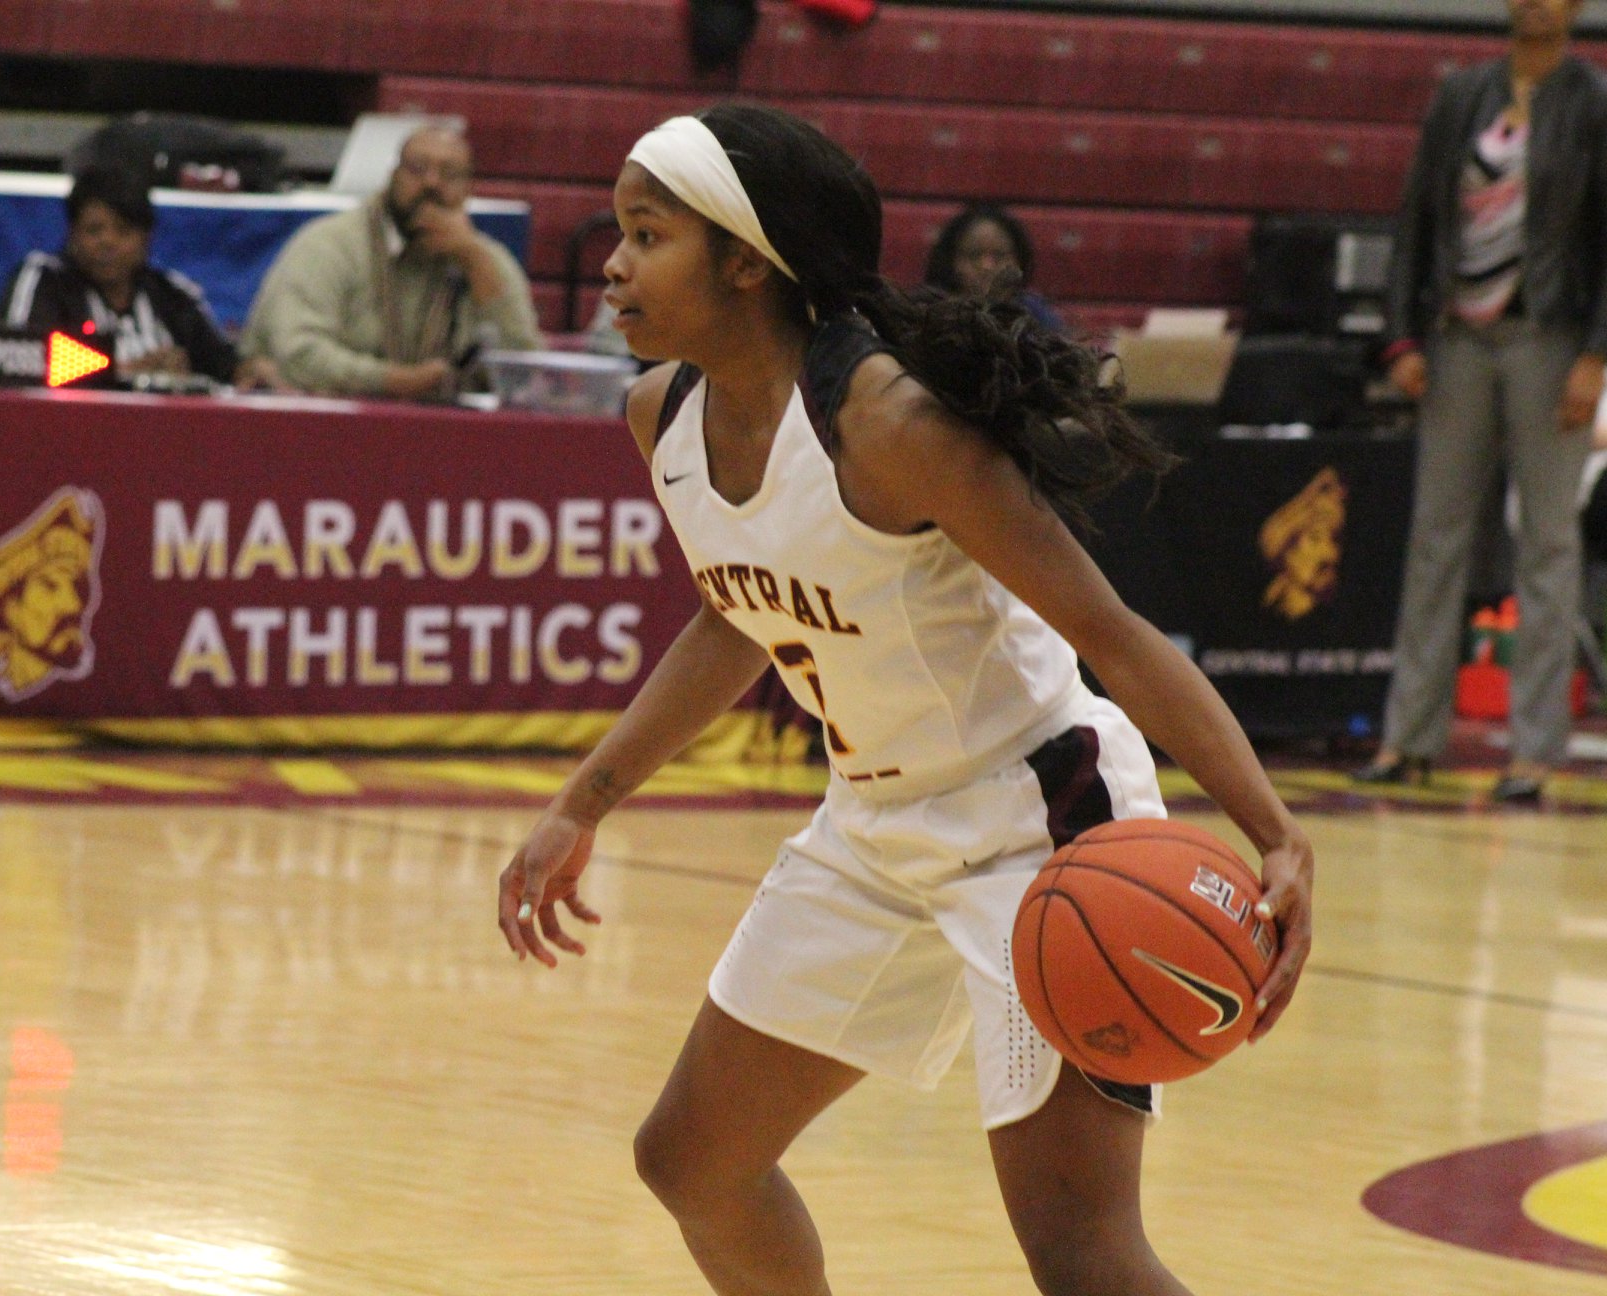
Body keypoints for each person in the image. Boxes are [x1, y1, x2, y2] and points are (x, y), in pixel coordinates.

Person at [496, 105, 1313, 1296]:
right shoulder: (659, 415)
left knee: (1082, 1255)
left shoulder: (888, 426)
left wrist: (1276, 831)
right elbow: (743, 611)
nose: (613, 263)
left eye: (646, 233)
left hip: (1042, 827)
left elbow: (1112, 635)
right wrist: (586, 801)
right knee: (692, 1163)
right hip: (874, 825)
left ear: (743, 258)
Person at [1354, 0, 1607, 804]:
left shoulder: (1593, 104)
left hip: (1551, 339)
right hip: (1457, 340)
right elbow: (1416, 218)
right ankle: (1409, 737)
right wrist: (1399, 337)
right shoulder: (1462, 94)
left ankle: (1534, 750)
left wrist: (1597, 355)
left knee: (1547, 544)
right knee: (1435, 540)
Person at [238, 125, 542, 399]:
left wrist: (479, 267)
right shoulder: (329, 245)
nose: (431, 184)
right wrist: (392, 381)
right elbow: (296, 354)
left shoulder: (485, 260)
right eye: (418, 169)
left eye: (449, 174)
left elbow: (525, 376)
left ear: (468, 190)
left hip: (445, 440)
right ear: (393, 176)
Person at [0, 165, 273, 388]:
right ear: (72, 234)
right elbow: (14, 359)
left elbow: (224, 367)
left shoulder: (172, 294)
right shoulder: (45, 279)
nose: (108, 243)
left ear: (146, 239)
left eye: (123, 230)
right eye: (94, 230)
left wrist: (250, 371)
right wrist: (128, 372)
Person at [923, 203, 1067, 334]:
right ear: (950, 260)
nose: (986, 266)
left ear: (1019, 261)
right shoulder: (929, 315)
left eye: (999, 256)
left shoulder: (1036, 315)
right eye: (973, 255)